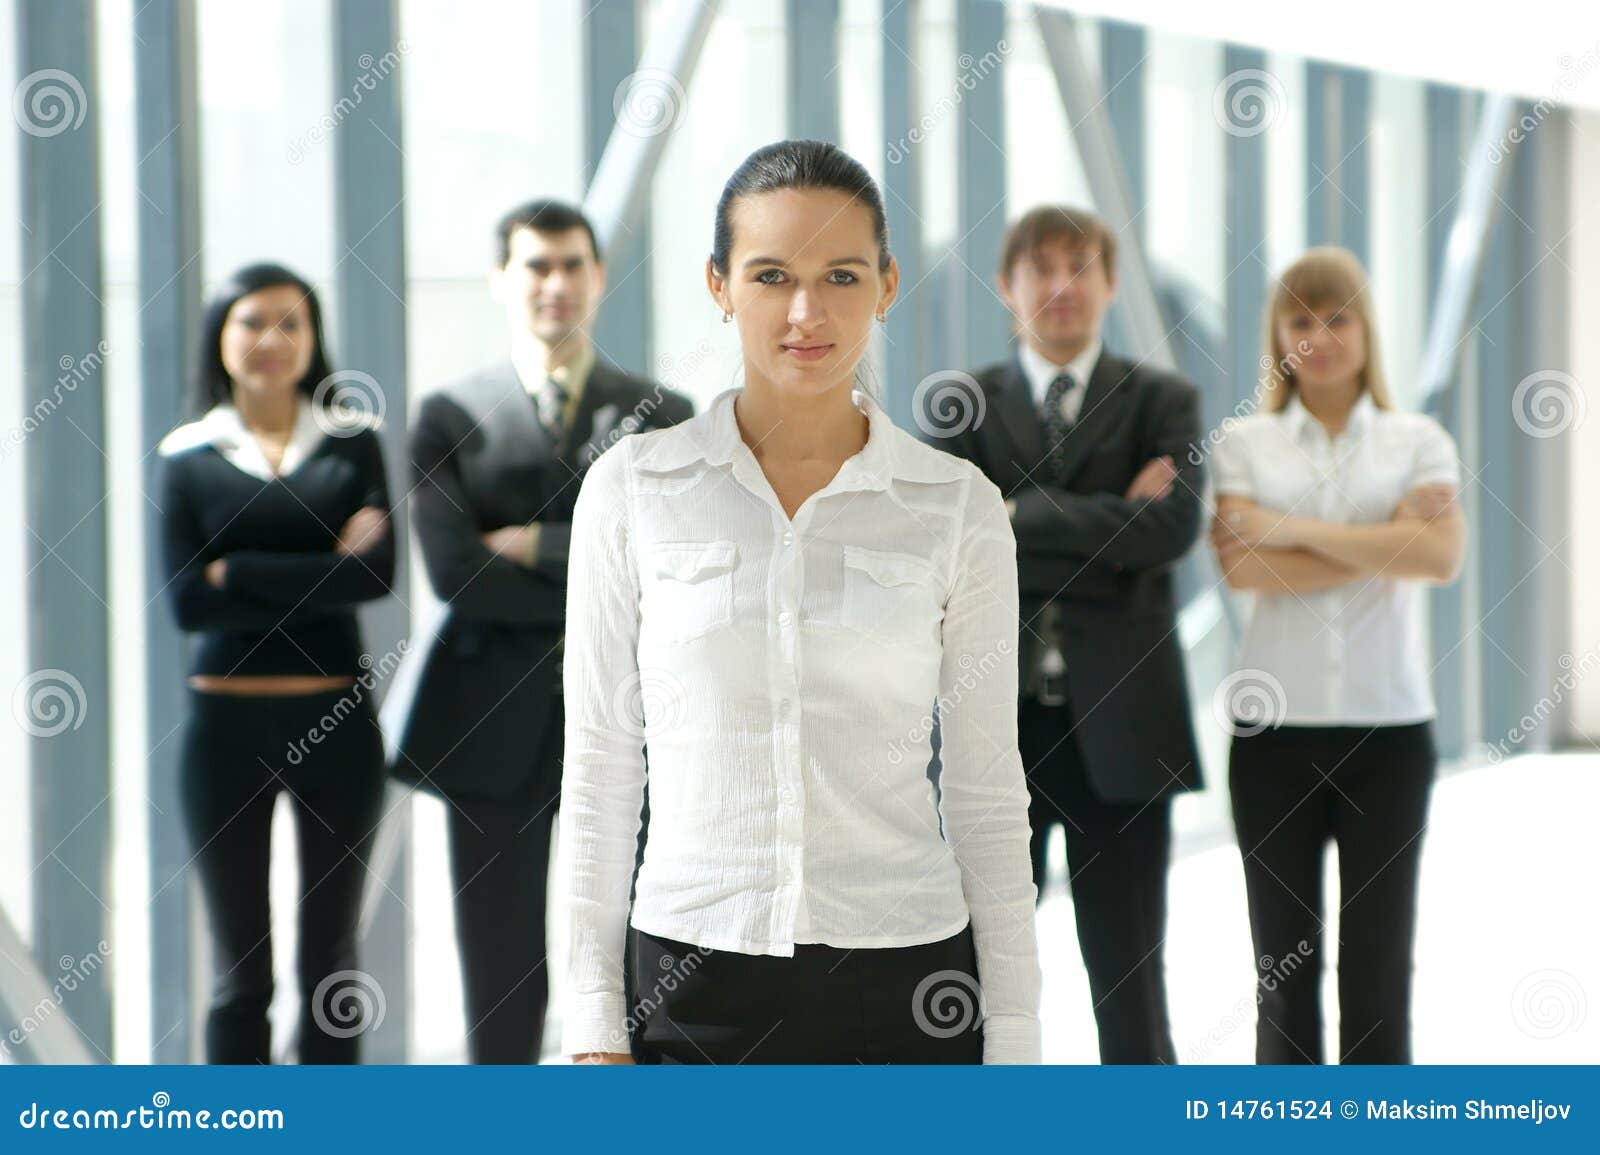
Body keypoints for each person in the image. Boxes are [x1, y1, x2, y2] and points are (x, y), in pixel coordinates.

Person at [558, 140, 1042, 1065]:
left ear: (888, 285)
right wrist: (589, 1020)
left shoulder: (956, 508)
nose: (807, 312)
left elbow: (986, 788)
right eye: (772, 274)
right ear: (719, 284)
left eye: (842, 276)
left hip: (908, 987)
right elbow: (599, 773)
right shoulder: (632, 490)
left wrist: (1015, 1032)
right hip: (687, 984)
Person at [385, 200, 692, 1063]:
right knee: (500, 973)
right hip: (487, 724)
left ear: (598, 277)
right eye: (536, 266)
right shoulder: (448, 414)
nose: (555, 284)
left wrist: (535, 542)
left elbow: (674, 564)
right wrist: (601, 567)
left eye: (571, 265)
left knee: (647, 969)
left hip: (639, 725)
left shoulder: (662, 412)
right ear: (501, 280)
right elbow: (457, 579)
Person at [925, 205, 1205, 1063]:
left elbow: (1170, 534)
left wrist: (1011, 513)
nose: (1061, 286)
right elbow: (949, 543)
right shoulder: (962, 403)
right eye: (1039, 268)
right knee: (969, 982)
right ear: (1007, 289)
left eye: (1080, 267)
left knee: (1131, 982)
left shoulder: (1163, 399)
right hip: (991, 728)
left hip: (1121, 727)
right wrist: (1108, 520)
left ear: (1111, 284)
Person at [1208, 246, 1466, 1064]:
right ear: (1278, 334)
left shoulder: (1415, 437)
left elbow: (1440, 558)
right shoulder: (1244, 443)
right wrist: (1386, 534)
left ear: (1368, 329)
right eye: (1301, 319)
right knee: (1282, 969)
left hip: (1389, 734)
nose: (1319, 335)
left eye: (1338, 316)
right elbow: (1243, 568)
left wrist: (1289, 529)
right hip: (1271, 738)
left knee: (1380, 964)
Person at [158, 263, 394, 1063]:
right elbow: (189, 603)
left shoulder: (352, 443)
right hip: (224, 731)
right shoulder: (187, 456)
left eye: (291, 323)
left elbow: (375, 576)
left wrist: (240, 570)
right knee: (240, 974)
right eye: (252, 322)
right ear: (220, 338)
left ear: (313, 339)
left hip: (337, 724)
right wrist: (318, 566)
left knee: (329, 964)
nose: (271, 340)